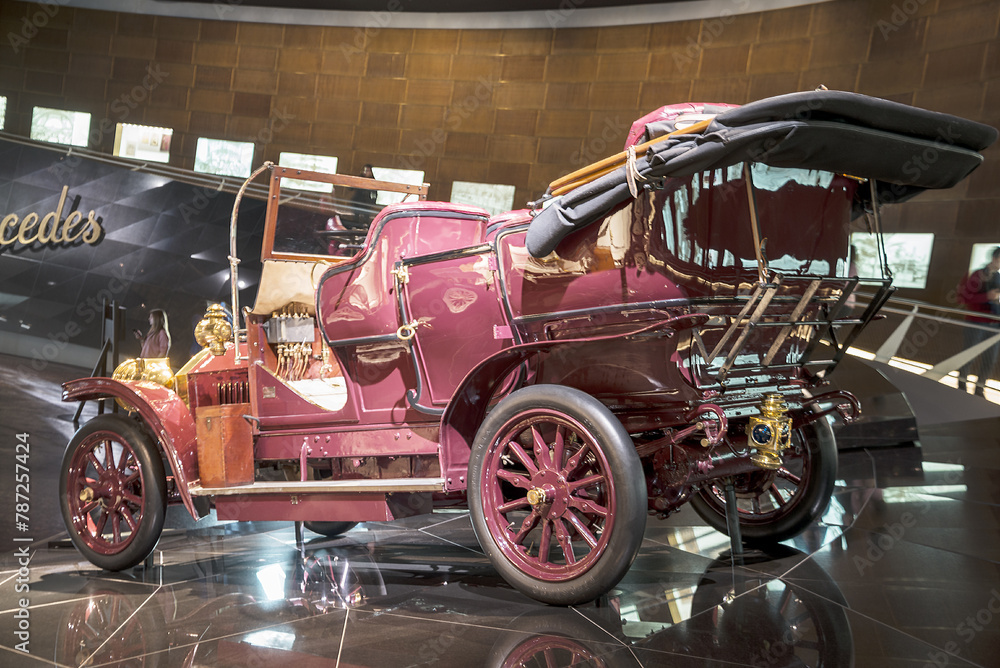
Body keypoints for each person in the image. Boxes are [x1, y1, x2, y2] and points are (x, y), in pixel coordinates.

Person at [958, 246, 1000, 396]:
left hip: (995, 325)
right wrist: (986, 297)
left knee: (990, 360)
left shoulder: (998, 277)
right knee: (968, 356)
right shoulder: (977, 275)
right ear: (995, 258)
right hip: (976, 322)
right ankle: (961, 386)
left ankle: (980, 388)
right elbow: (963, 298)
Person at [345, 164, 378, 230]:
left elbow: (374, 193)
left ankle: (364, 231)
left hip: (367, 202)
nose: (366, 172)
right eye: (365, 171)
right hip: (357, 201)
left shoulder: (373, 181)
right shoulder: (359, 179)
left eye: (368, 171)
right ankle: (355, 230)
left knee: (366, 218)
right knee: (356, 217)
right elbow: (351, 188)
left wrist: (373, 202)